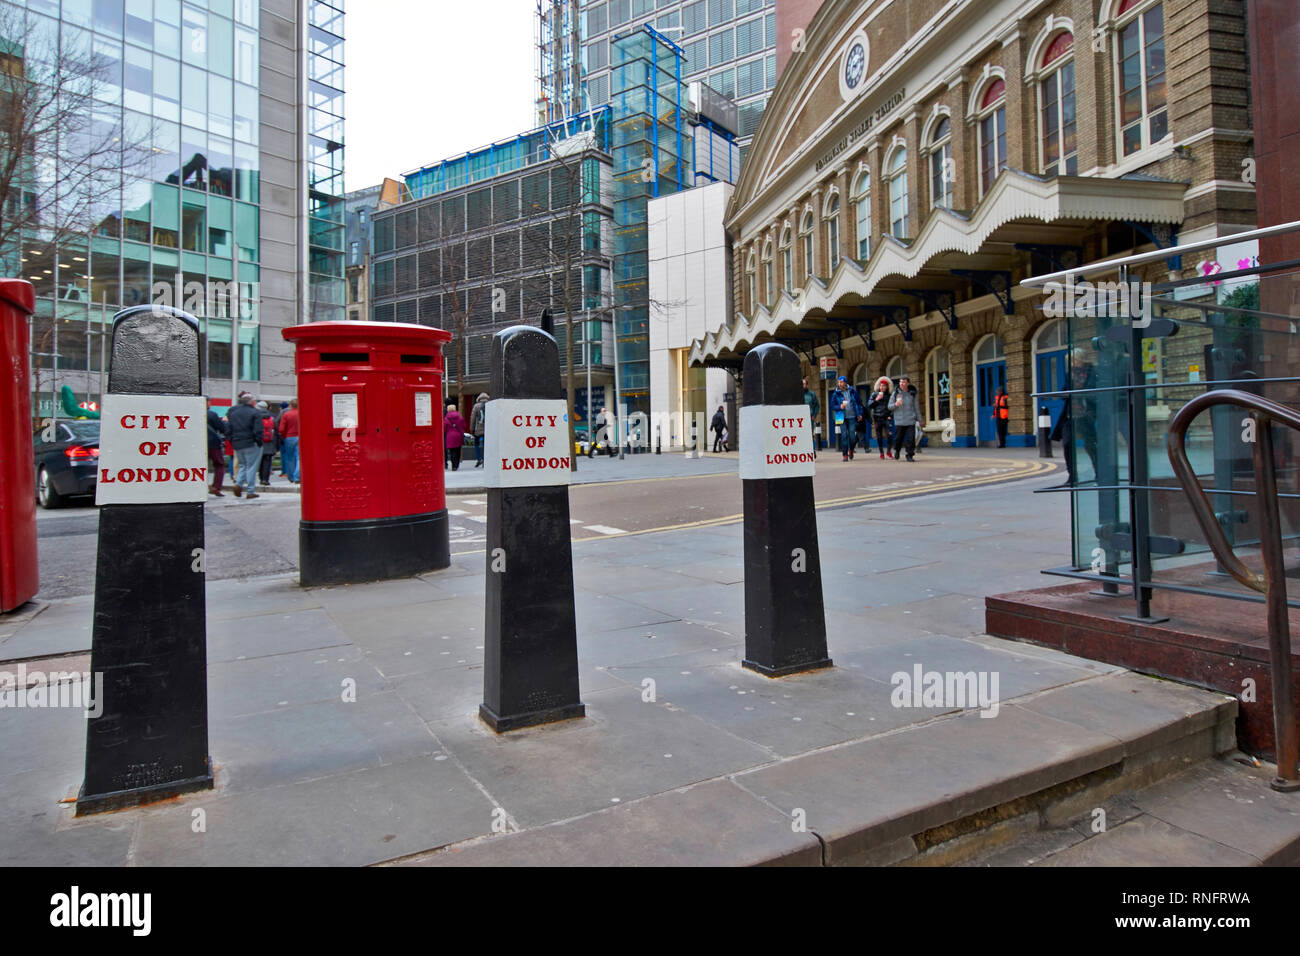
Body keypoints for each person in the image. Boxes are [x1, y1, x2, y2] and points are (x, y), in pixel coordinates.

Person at [226, 392, 263, 498]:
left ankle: (238, 483)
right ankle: (250, 491)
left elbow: (228, 429)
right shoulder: (255, 413)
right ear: (251, 402)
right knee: (251, 466)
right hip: (251, 442)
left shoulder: (233, 412)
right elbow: (258, 430)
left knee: (243, 465)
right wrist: (259, 442)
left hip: (237, 442)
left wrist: (231, 440)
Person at [890, 374, 923, 461]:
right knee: (898, 439)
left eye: (904, 382)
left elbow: (916, 407)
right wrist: (895, 404)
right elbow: (889, 406)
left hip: (910, 419)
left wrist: (920, 420)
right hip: (899, 420)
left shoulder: (912, 393)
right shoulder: (895, 393)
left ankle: (909, 455)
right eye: (900, 382)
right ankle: (897, 450)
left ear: (908, 383)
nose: (902, 384)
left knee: (911, 439)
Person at [830, 376, 863, 461]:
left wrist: (860, 414)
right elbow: (832, 406)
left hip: (852, 416)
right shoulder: (836, 393)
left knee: (852, 436)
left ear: (845, 382)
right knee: (844, 435)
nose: (839, 384)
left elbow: (859, 403)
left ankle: (851, 449)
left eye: (841, 382)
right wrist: (839, 406)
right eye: (838, 382)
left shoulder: (852, 391)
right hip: (841, 417)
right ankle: (845, 454)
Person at [206, 398, 230, 496]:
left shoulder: (193, 413)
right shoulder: (211, 414)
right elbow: (222, 428)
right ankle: (216, 487)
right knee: (219, 465)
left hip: (198, 444)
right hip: (213, 444)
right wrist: (224, 422)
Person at [867, 376, 893, 459]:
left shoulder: (889, 396)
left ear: (887, 387)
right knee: (879, 436)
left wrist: (890, 416)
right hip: (877, 418)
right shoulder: (874, 394)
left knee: (889, 435)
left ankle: (889, 451)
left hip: (886, 418)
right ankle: (881, 452)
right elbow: (870, 405)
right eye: (881, 386)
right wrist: (877, 399)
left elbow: (892, 407)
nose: (882, 387)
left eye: (884, 386)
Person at [278, 399, 300, 483]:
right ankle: (297, 476)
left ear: (290, 406)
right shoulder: (302, 414)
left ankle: (291, 476)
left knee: (290, 458)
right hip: (300, 436)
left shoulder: (286, 414)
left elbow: (281, 429)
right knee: (299, 457)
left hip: (289, 437)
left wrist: (284, 437)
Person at [255, 400, 276, 487]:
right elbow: (277, 430)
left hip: (259, 441)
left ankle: (260, 477)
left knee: (259, 460)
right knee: (267, 460)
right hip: (269, 442)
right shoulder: (272, 416)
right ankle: (265, 479)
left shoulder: (255, 415)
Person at [444, 403, 467, 470]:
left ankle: (453, 465)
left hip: (450, 436)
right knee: (458, 450)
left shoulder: (446, 418)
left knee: (452, 451)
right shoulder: (460, 417)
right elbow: (464, 425)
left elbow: (444, 428)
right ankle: (457, 464)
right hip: (459, 435)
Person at [802, 378, 820, 457]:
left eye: (805, 384)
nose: (803, 386)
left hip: (809, 417)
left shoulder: (811, 394)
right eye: (802, 384)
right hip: (800, 419)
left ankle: (812, 451)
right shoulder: (797, 394)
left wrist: (814, 415)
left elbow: (817, 405)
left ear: (807, 385)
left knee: (810, 435)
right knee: (801, 435)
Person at [470, 392, 488, 468]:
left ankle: (479, 458)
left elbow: (473, 418)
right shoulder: (490, 404)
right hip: (488, 429)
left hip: (478, 429)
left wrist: (472, 429)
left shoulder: (476, 406)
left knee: (477, 444)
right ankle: (486, 460)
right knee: (486, 445)